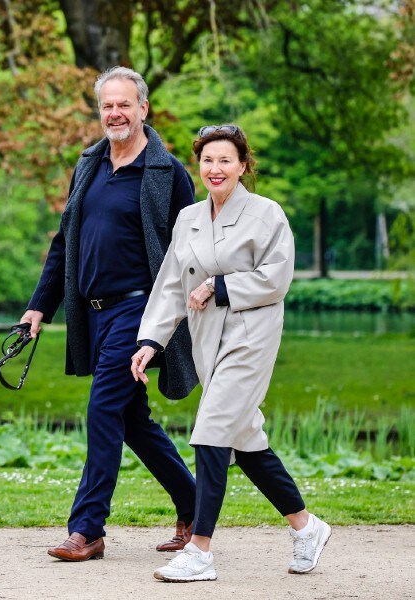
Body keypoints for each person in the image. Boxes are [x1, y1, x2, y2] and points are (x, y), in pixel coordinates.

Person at [131, 124, 332, 582]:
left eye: (225, 160)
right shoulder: (189, 218)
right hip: (208, 341)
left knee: (211, 429)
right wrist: (150, 340)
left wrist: (219, 286)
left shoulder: (266, 214)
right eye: (207, 160)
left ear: (243, 165)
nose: (215, 168)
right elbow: (168, 286)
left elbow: (277, 278)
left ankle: (199, 550)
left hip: (251, 337)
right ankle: (306, 527)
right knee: (247, 442)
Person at [21, 66, 198, 562]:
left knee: (102, 409)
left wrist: (181, 313)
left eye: (125, 104)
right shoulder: (90, 165)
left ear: (144, 109)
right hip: (94, 314)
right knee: (132, 419)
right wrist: (39, 307)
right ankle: (195, 505)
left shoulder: (167, 174)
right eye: (107, 105)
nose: (115, 113)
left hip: (141, 309)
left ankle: (87, 529)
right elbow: (65, 242)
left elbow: (191, 246)